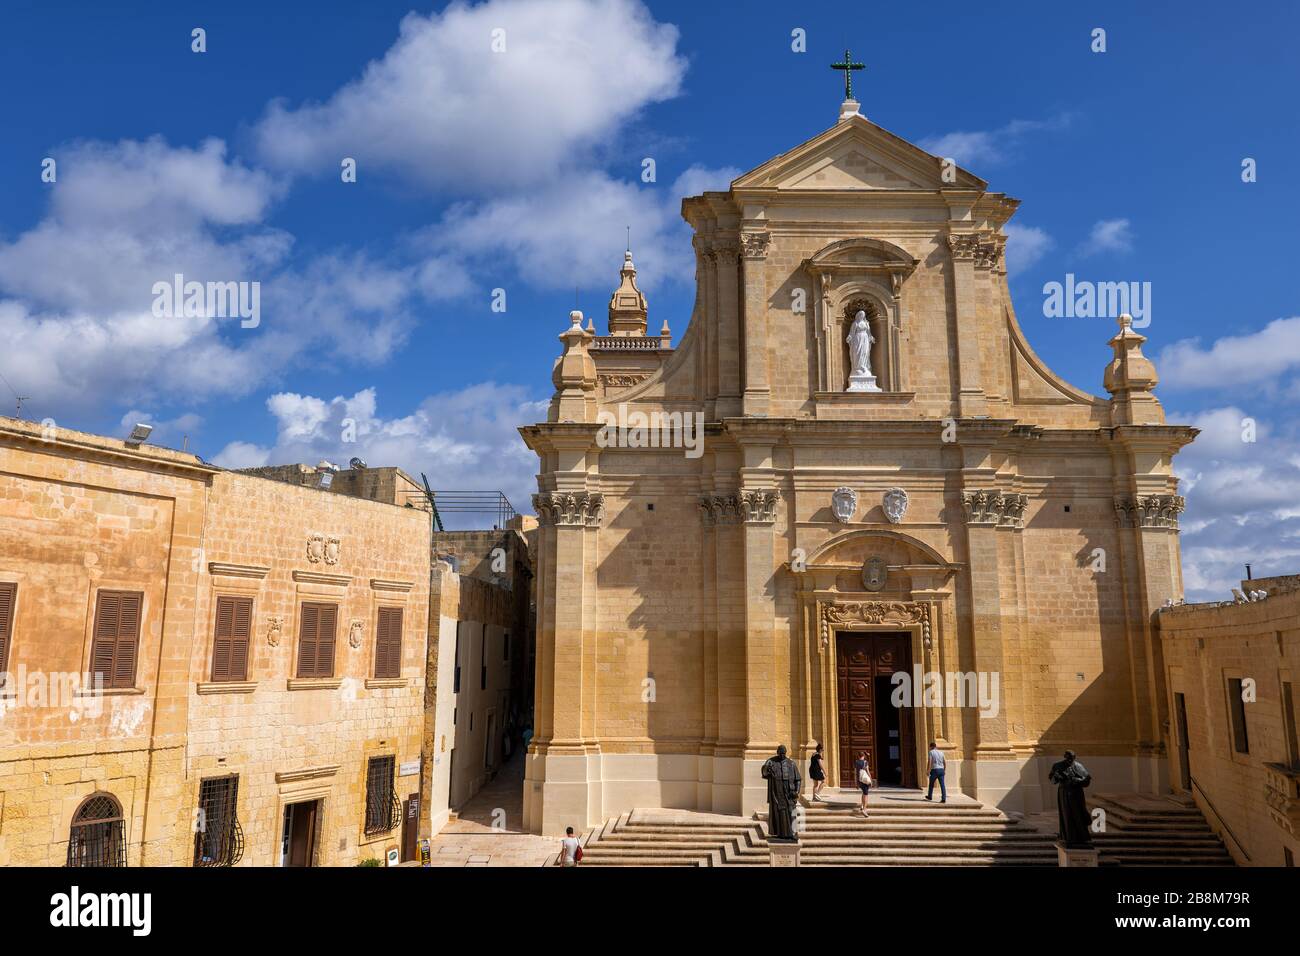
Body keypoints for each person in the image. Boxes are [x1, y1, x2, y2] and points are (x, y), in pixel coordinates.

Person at [853, 751, 872, 817]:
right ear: (863, 756)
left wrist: (856, 783)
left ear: (858, 756)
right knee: (866, 794)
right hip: (865, 780)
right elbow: (868, 772)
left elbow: (855, 773)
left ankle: (862, 805)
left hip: (859, 780)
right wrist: (871, 780)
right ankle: (864, 809)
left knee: (863, 792)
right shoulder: (865, 762)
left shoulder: (856, 762)